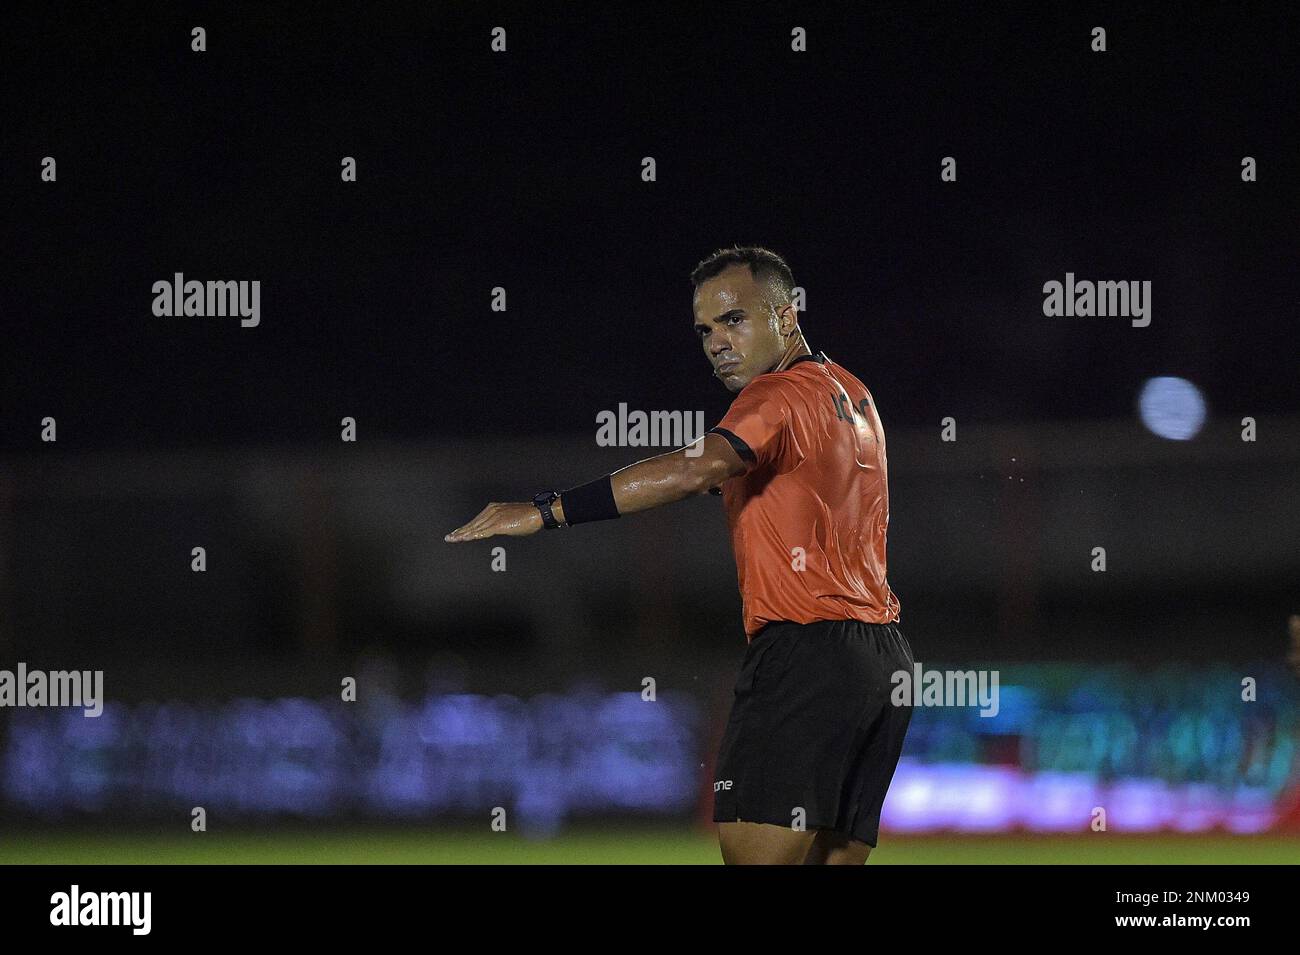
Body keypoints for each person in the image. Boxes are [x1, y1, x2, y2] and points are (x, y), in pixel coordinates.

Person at [446, 245, 913, 864]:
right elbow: (776, 487)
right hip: (881, 660)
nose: (717, 341)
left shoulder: (775, 396)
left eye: (734, 320)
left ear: (787, 315)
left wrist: (543, 511)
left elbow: (700, 468)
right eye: (705, 329)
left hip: (807, 654)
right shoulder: (852, 395)